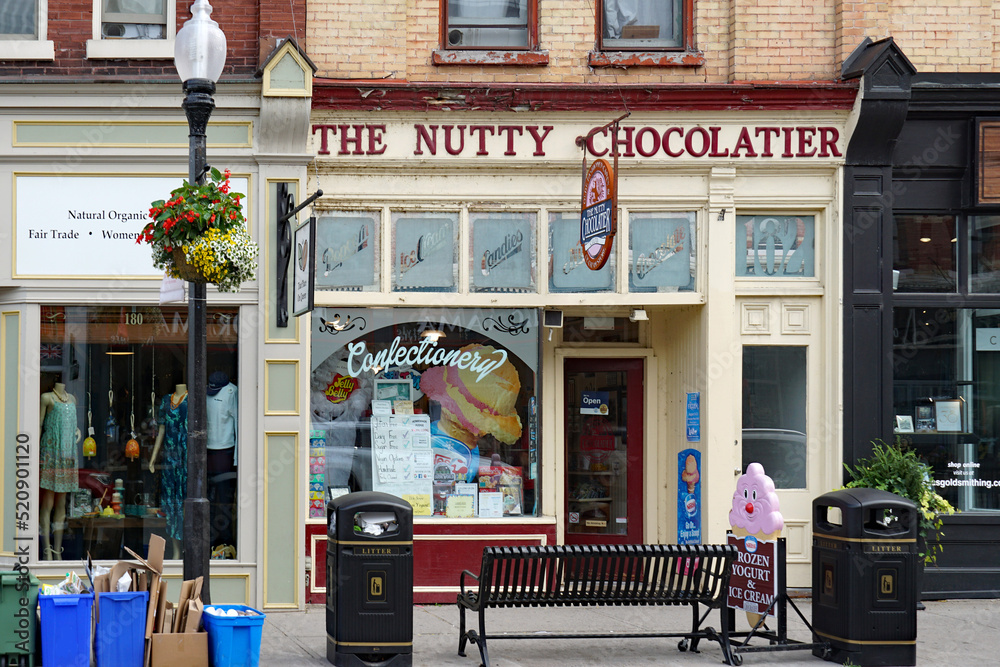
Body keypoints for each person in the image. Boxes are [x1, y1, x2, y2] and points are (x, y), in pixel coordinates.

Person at [39, 381, 80, 560]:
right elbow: (39, 425)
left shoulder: (72, 399)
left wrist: (76, 432)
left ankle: (57, 551)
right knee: (48, 502)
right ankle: (47, 550)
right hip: (51, 454)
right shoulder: (47, 398)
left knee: (61, 503)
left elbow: (72, 424)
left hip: (67, 455)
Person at [149, 384, 188, 560]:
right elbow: (161, 431)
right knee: (172, 507)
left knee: (186, 505)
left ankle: (187, 549)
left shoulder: (192, 400)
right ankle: (176, 550)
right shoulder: (166, 401)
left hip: (188, 461)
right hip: (170, 462)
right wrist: (153, 458)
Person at [206, 371, 238, 552]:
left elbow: (238, 424)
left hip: (226, 450)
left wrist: (237, 457)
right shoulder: (204, 392)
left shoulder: (232, 392)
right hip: (207, 451)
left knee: (225, 498)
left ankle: (226, 540)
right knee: (208, 498)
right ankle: (210, 539)